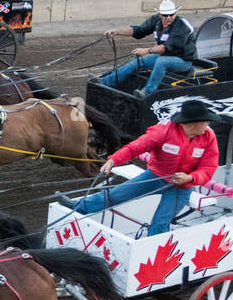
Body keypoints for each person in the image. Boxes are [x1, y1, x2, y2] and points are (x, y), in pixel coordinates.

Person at [71, 99, 219, 236]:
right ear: (193, 123)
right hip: (155, 176)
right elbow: (136, 147)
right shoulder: (163, 131)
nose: (208, 125)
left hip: (183, 187)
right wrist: (113, 161)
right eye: (206, 121)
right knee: (116, 195)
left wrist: (190, 177)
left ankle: (150, 251)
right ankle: (77, 207)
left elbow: (209, 166)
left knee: (161, 222)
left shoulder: (209, 137)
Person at [99, 0, 196, 99]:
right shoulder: (155, 20)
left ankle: (147, 92)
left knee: (161, 61)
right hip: (164, 55)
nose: (169, 18)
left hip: (183, 60)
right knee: (137, 62)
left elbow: (166, 48)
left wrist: (147, 51)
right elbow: (139, 30)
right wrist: (117, 32)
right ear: (159, 15)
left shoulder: (182, 25)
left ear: (175, 13)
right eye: (165, 15)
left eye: (171, 15)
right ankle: (105, 81)